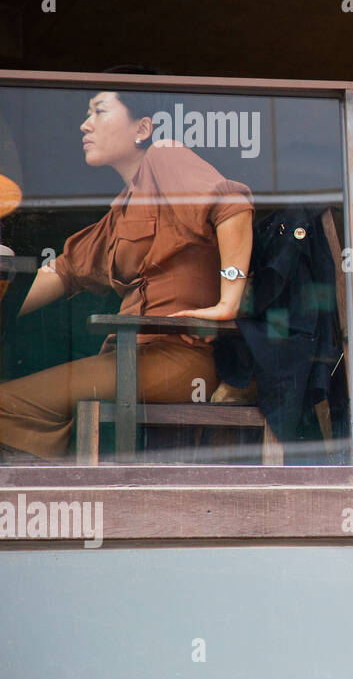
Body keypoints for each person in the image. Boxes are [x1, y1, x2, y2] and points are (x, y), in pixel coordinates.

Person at [0, 83, 254, 462]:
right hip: (131, 360)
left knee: (7, 403)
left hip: (181, 359)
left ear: (143, 128)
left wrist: (227, 302)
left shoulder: (165, 155)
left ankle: (44, 493)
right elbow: (64, 271)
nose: (85, 124)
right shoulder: (123, 206)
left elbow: (232, 206)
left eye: (99, 110)